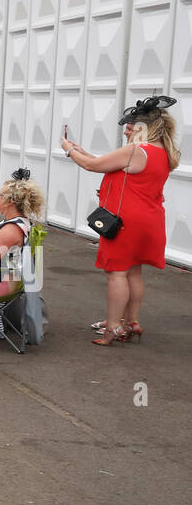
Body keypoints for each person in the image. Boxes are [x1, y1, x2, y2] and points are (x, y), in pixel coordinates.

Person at [62, 95, 179, 346]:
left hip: (126, 222)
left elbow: (93, 166)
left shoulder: (136, 150)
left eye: (129, 127)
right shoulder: (163, 152)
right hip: (150, 219)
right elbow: (114, 167)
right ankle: (131, 321)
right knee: (134, 272)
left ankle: (113, 327)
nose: (126, 132)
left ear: (142, 128)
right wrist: (83, 152)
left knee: (117, 273)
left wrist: (70, 150)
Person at [0, 167, 45, 300]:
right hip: (0, 279)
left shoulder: (11, 229)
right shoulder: (19, 222)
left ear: (10, 201)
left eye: (0, 195)